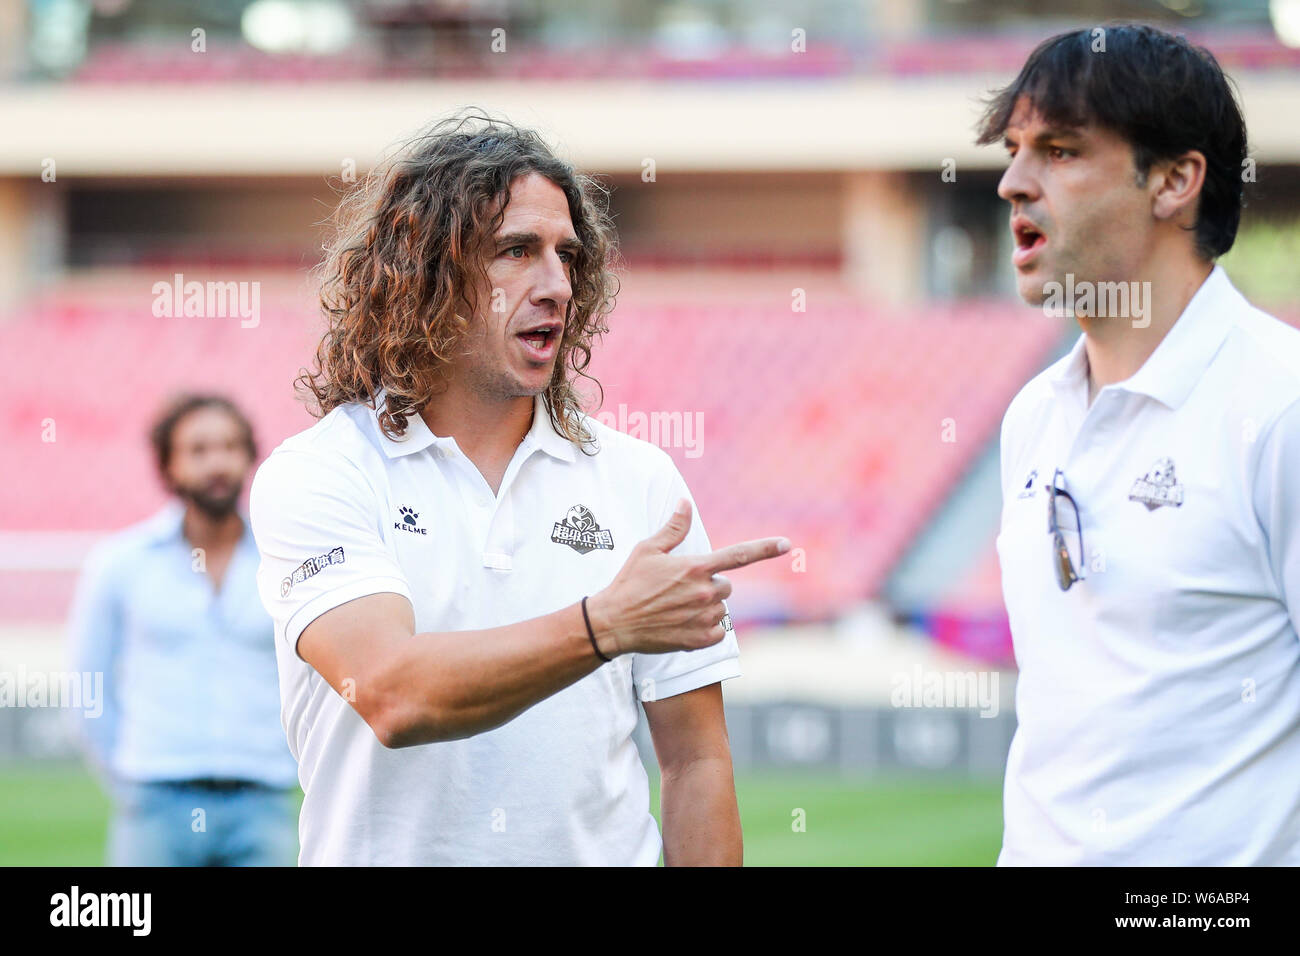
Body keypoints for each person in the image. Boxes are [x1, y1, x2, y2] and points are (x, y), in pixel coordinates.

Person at [249, 111, 789, 866]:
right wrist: (604, 625)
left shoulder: (641, 483)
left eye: (568, 256)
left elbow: (696, 760)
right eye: (516, 251)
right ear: (422, 269)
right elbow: (394, 695)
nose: (558, 285)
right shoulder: (320, 473)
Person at [981, 23, 1300, 864]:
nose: (1014, 182)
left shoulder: (1281, 408)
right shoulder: (1031, 417)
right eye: (1013, 150)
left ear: (1174, 180)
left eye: (1059, 150)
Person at [69, 394, 299, 866]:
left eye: (230, 446)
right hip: (155, 802)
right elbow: (87, 684)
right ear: (168, 465)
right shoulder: (121, 562)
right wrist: (129, 775)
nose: (217, 462)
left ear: (249, 457)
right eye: (197, 449)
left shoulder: (287, 562)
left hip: (263, 800)